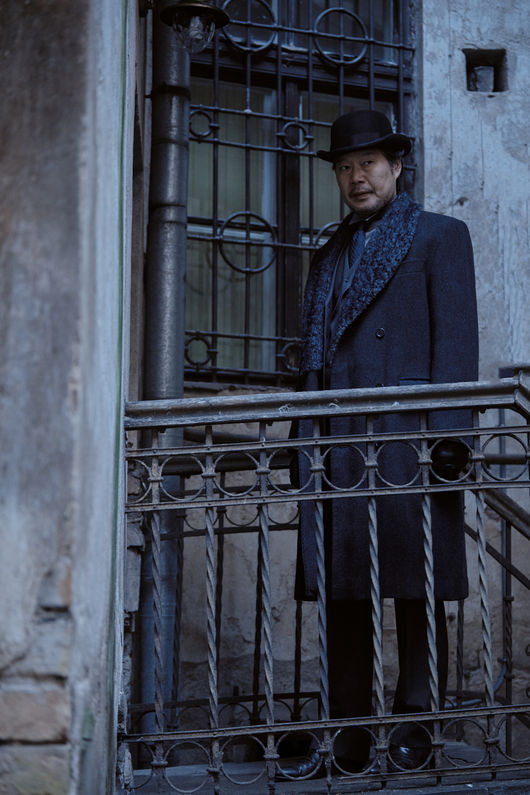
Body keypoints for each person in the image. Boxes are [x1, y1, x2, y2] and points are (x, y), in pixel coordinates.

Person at [281, 109, 479, 778]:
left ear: (397, 166)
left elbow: (457, 342)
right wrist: (301, 439)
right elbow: (317, 358)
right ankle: (349, 732)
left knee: (417, 590)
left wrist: (451, 436)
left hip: (408, 443)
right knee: (344, 596)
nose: (355, 176)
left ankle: (417, 727)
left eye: (367, 163)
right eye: (344, 166)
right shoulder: (329, 255)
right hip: (337, 445)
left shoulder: (440, 236)